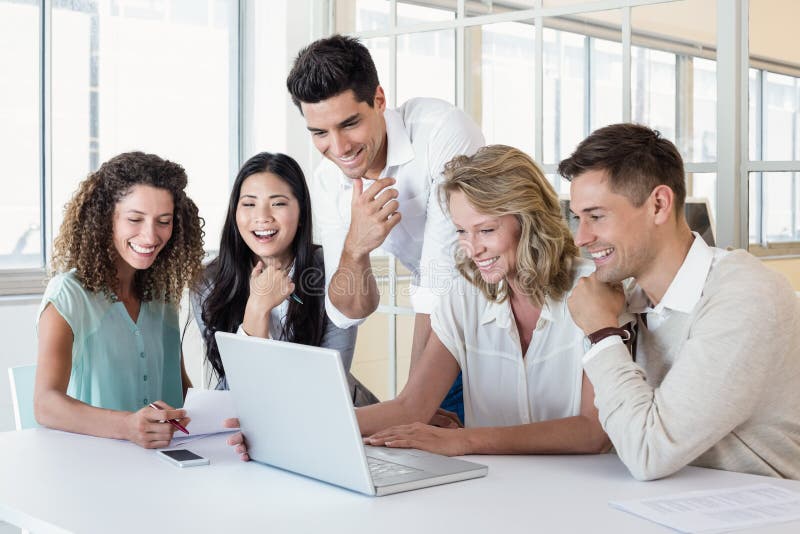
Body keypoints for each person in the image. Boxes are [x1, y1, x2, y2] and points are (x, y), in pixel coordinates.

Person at [229, 145, 615, 460]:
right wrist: (282, 429)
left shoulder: (593, 290)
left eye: (487, 230)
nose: (472, 248)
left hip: (586, 491)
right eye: (462, 231)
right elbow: (411, 406)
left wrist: (464, 440)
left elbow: (591, 432)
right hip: (496, 489)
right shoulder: (465, 295)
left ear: (530, 221)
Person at [561, 123, 800, 481]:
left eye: (596, 217)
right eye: (578, 218)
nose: (581, 238)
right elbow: (623, 433)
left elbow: (647, 453)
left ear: (658, 204)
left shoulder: (744, 296)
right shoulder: (625, 300)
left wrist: (602, 333)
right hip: (668, 507)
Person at [286, 35, 485, 422]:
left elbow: (441, 278)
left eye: (350, 124)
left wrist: (411, 406)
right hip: (448, 325)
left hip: (506, 310)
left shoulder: (442, 131)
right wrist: (355, 249)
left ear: (379, 99)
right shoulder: (329, 181)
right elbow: (348, 311)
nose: (339, 147)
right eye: (319, 133)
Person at [34, 152, 204, 449]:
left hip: (164, 461)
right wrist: (127, 426)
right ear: (105, 219)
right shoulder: (68, 295)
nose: (150, 236)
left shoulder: (162, 296)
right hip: (94, 462)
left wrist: (218, 418)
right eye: (135, 219)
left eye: (163, 221)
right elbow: (45, 403)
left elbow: (179, 386)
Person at [193, 152, 377, 406]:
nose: (263, 216)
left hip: (338, 415)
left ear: (301, 213)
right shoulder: (209, 283)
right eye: (248, 204)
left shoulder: (332, 270)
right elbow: (234, 387)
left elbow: (329, 381)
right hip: (250, 420)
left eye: (278, 203)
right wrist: (257, 309)